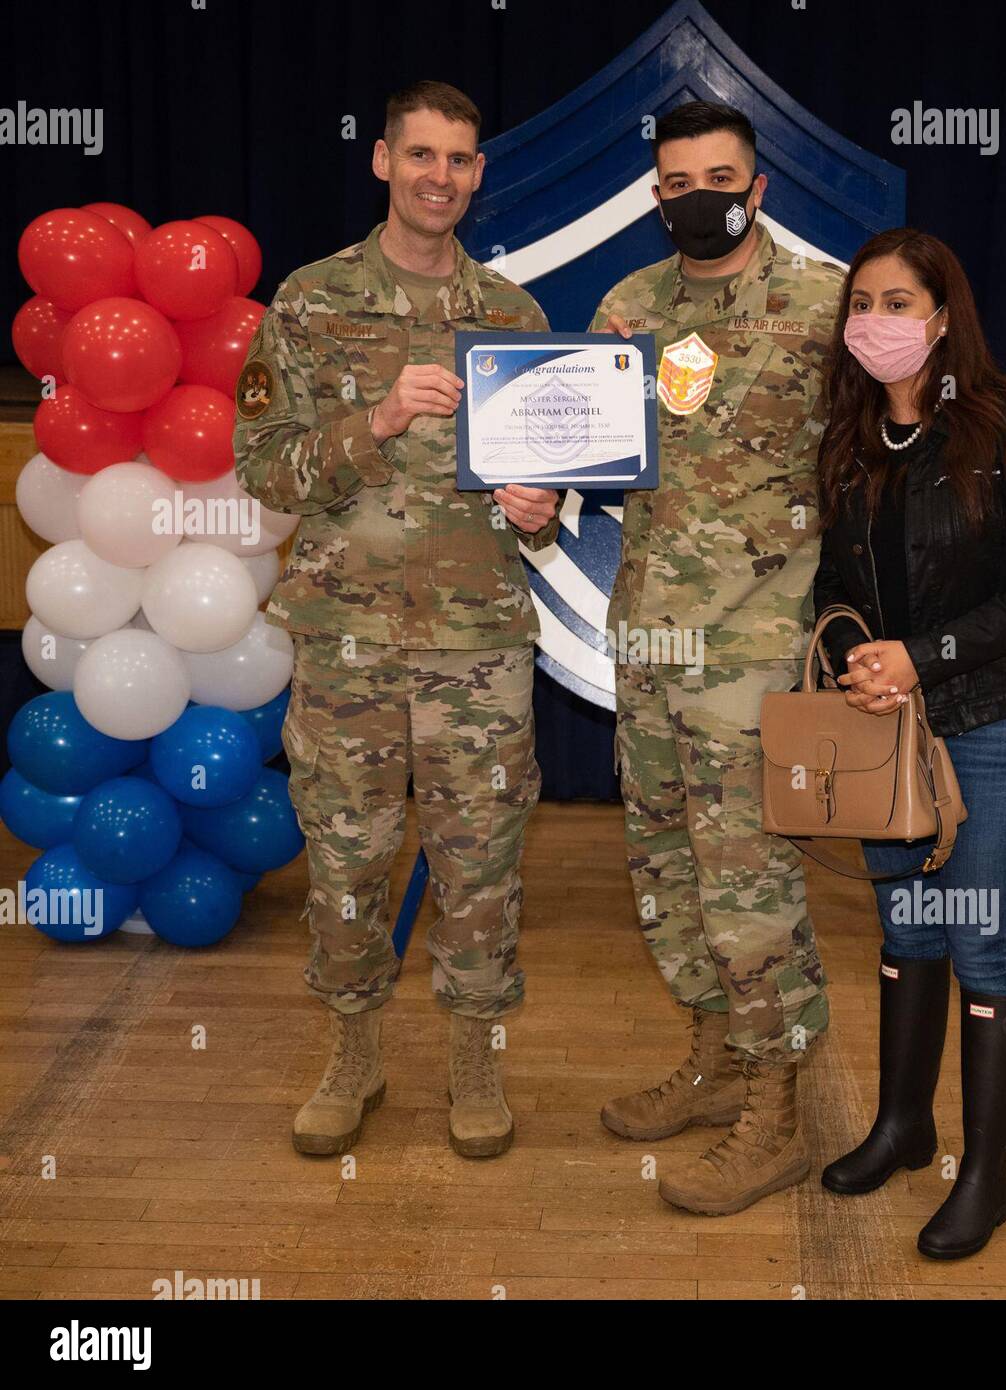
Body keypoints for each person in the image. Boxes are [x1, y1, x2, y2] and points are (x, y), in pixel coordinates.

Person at [594, 105, 1006, 1216]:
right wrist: (535, 490)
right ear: (656, 192)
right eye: (677, 180)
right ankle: (718, 1057)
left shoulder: (830, 309)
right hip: (650, 640)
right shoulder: (625, 310)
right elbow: (597, 452)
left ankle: (777, 1106)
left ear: (758, 186)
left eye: (720, 175)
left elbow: (932, 428)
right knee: (671, 873)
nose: (698, 195)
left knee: (753, 889)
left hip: (766, 654)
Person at [234, 81, 559, 1161]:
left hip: (478, 647)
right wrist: (373, 420)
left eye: (460, 160)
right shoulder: (310, 300)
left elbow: (549, 497)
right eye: (420, 154)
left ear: (477, 174)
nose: (439, 177)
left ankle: (473, 1055)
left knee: (481, 861)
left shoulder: (512, 319)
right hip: (346, 641)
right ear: (381, 161)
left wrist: (542, 507)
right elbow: (267, 470)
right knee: (346, 858)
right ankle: (353, 1053)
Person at [812, 227, 1006, 1258]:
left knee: (979, 939)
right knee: (908, 933)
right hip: (888, 730)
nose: (876, 323)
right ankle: (902, 1124)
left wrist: (920, 656)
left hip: (998, 719)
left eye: (899, 304)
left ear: (941, 318)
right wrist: (853, 649)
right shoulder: (845, 436)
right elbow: (836, 581)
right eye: (863, 303)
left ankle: (987, 1173)